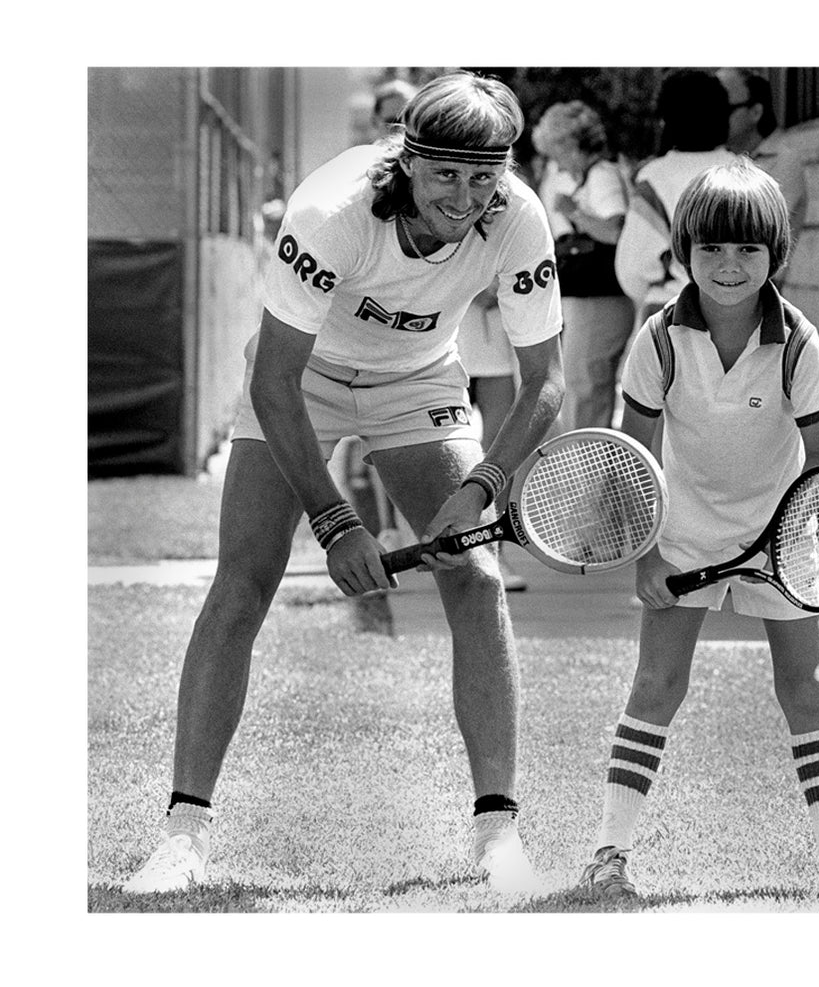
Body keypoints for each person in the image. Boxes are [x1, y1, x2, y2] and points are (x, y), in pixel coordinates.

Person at [122, 71, 565, 895]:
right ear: (407, 158)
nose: (466, 198)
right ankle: (182, 838)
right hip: (304, 380)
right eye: (446, 175)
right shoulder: (333, 212)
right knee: (243, 583)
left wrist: (483, 488)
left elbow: (545, 382)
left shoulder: (518, 217)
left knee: (475, 576)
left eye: (485, 177)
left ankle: (498, 836)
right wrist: (334, 522)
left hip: (421, 381)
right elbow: (272, 384)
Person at [579, 157, 819, 903]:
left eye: (748, 249)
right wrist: (647, 554)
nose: (729, 265)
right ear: (684, 253)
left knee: (803, 687)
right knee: (656, 683)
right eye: (711, 248)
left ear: (777, 253)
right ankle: (610, 855)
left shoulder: (801, 342)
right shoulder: (657, 338)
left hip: (783, 534)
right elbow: (635, 455)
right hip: (681, 534)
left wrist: (788, 539)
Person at [532, 101, 633, 431]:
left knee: (585, 386)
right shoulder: (592, 175)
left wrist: (574, 212)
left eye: (555, 153)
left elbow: (616, 230)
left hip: (599, 298)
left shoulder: (601, 176)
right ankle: (587, 467)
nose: (556, 165)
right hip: (590, 299)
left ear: (570, 145)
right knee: (582, 384)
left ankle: (588, 472)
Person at [614, 68, 735, 324]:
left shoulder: (655, 178)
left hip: (671, 311)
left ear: (665, 119)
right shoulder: (747, 172)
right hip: (737, 314)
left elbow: (634, 266)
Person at [456, 280, 528, 591]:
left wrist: (496, 288)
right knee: (442, 452)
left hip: (495, 352)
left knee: (501, 454)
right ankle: (436, 543)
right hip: (440, 352)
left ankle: (492, 550)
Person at [716, 67, 808, 255]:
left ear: (756, 112)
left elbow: (752, 234)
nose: (714, 115)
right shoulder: (715, 159)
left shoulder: (783, 162)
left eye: (724, 108)